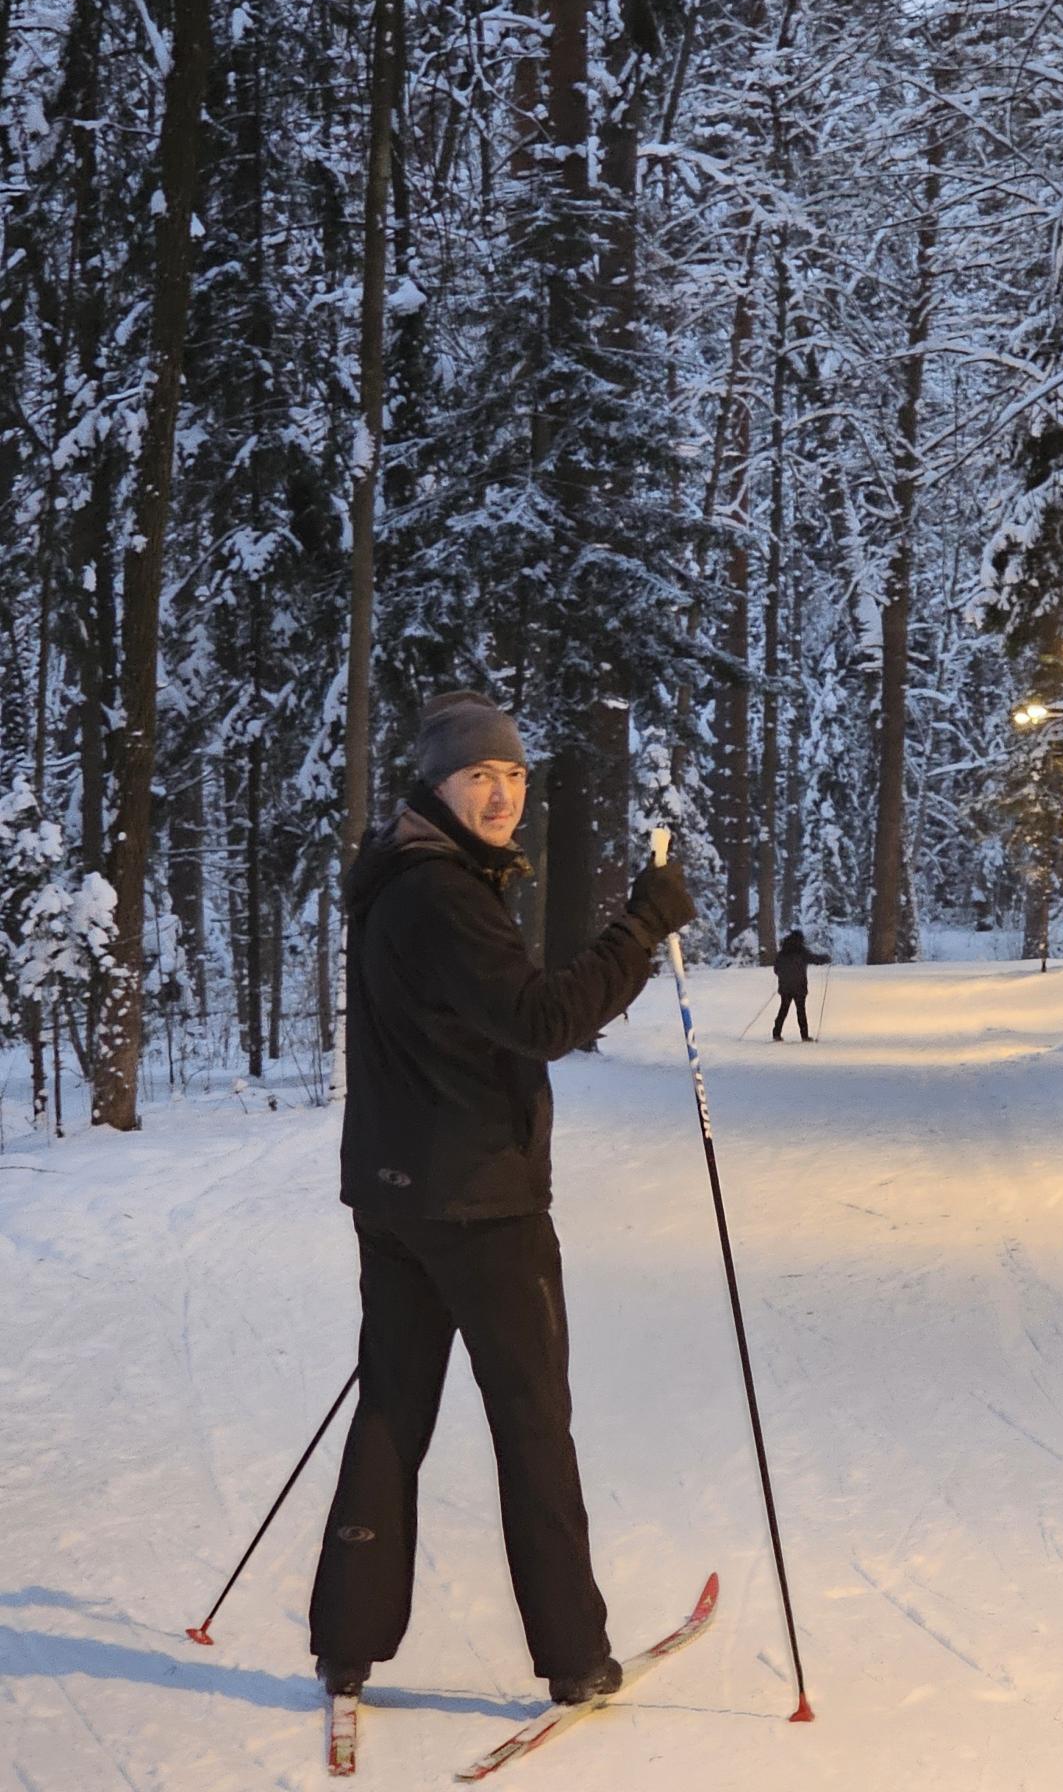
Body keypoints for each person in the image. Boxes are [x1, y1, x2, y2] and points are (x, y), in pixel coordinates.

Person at [309, 690, 695, 1710]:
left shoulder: (398, 880)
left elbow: (491, 1018)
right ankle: (575, 1654)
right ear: (437, 785)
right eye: (480, 774)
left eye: (516, 774)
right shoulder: (442, 894)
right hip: (480, 1203)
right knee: (531, 1416)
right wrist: (642, 924)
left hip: (397, 1197)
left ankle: (346, 1638)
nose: (502, 792)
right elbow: (545, 1016)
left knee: (394, 1405)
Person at [771, 928, 830, 1041]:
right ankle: (804, 1035)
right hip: (800, 987)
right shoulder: (802, 952)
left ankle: (776, 1033)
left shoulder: (782, 953)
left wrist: (784, 977)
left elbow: (776, 970)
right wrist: (826, 958)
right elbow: (815, 959)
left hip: (785, 988)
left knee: (783, 1010)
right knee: (801, 1012)